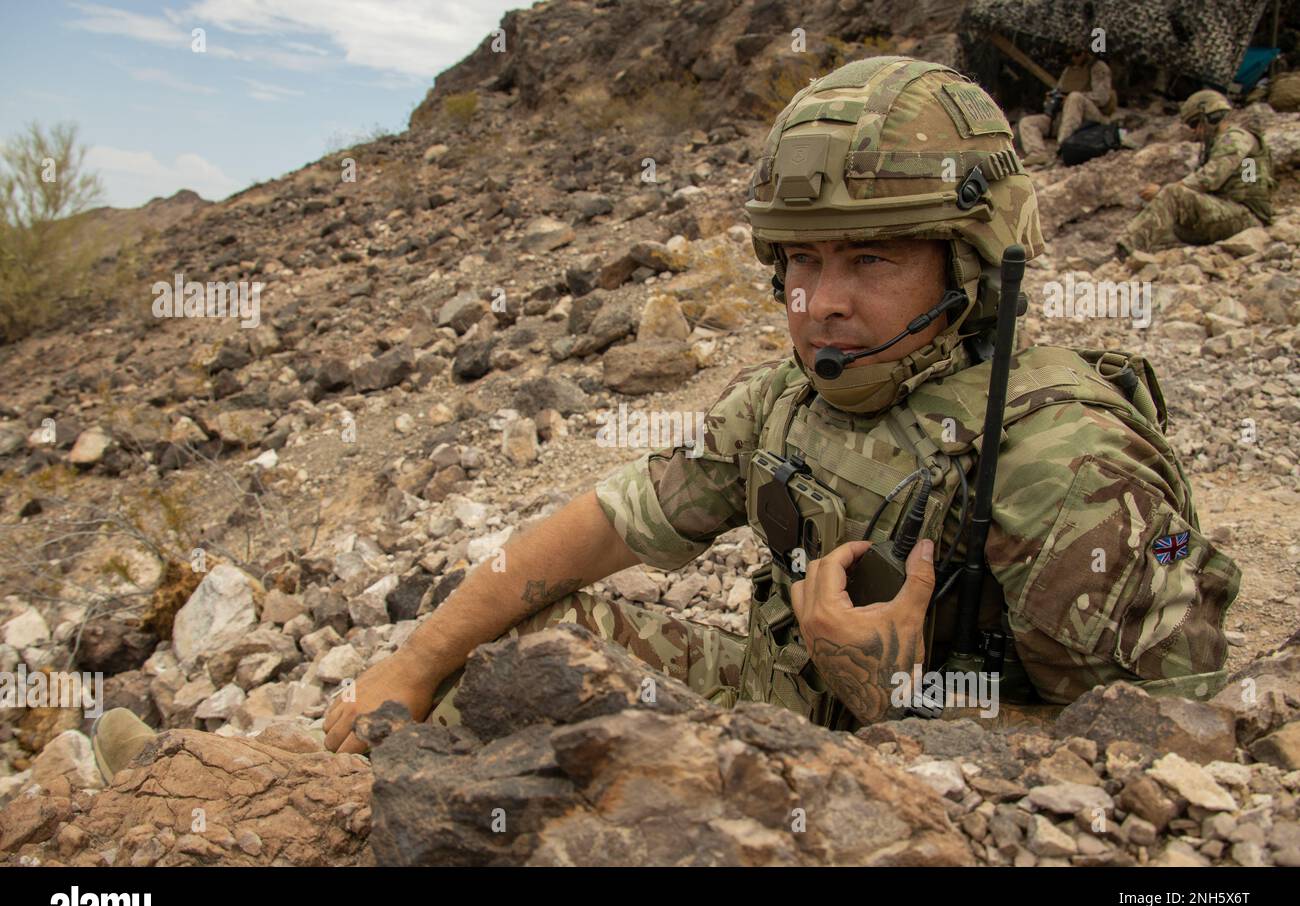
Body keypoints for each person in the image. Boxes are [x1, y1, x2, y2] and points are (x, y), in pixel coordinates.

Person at [95, 56, 1242, 774]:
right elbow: (602, 519)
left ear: (973, 263)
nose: (820, 301)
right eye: (800, 262)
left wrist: (905, 703)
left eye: (871, 259)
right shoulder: (788, 398)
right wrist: (415, 658)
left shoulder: (1065, 467)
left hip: (948, 774)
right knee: (523, 655)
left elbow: (1162, 764)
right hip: (783, 704)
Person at [1116, 89, 1276, 257]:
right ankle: (1136, 249)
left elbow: (1210, 178)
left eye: (1194, 124)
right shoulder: (1221, 142)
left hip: (1246, 215)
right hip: (1232, 211)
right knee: (1163, 218)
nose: (1194, 131)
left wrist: (1163, 191)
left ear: (1211, 117)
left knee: (1172, 194)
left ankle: (1126, 250)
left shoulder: (1235, 138)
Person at [1018, 49, 1116, 167]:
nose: (1074, 58)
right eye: (1070, 55)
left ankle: (1063, 147)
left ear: (1085, 52)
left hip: (1092, 117)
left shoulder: (1098, 67)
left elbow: (1102, 97)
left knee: (1075, 98)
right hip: (1066, 115)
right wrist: (1052, 99)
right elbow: (1059, 90)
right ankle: (1037, 153)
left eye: (1077, 54)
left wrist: (1071, 97)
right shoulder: (1069, 70)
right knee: (1028, 122)